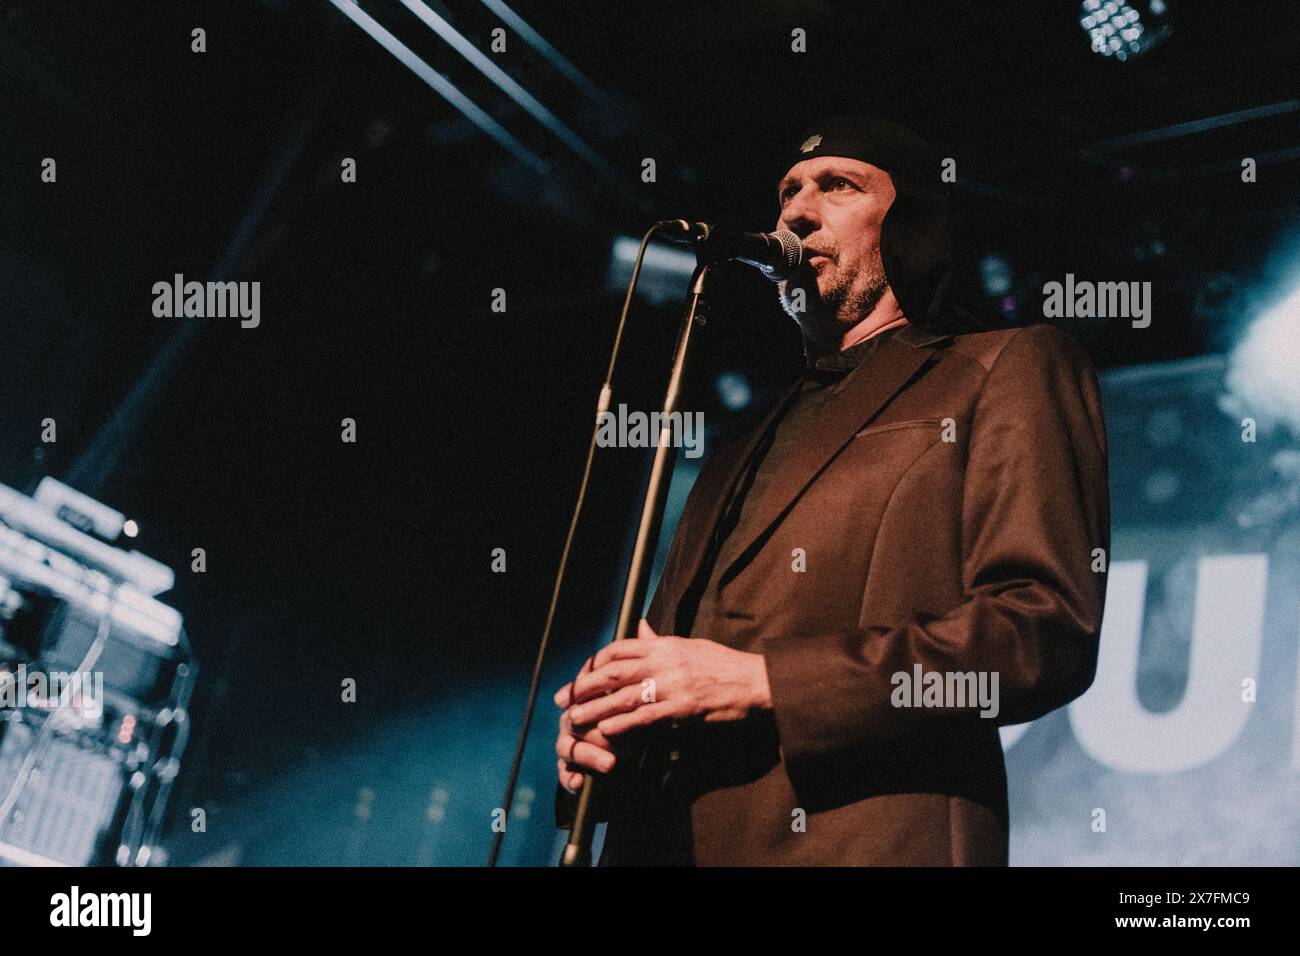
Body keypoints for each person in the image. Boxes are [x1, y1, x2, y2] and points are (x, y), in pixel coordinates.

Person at [553, 114, 1111, 865]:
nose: (795, 210)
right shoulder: (735, 451)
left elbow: (1041, 635)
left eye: (836, 185)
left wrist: (768, 682)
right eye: (788, 191)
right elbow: (672, 669)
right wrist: (608, 746)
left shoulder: (1004, 366)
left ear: (907, 223)